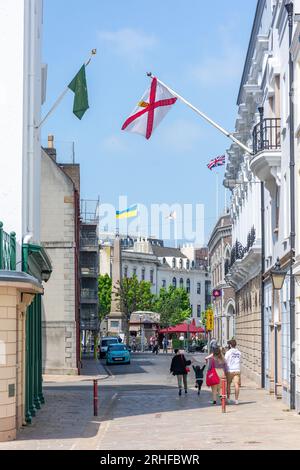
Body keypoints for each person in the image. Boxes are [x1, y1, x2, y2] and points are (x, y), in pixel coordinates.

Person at [225, 339, 242, 405]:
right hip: (237, 369)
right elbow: (240, 360)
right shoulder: (239, 352)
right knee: (236, 384)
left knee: (228, 384)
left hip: (230, 370)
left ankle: (228, 398)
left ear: (230, 345)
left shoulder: (228, 352)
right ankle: (236, 400)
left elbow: (225, 361)